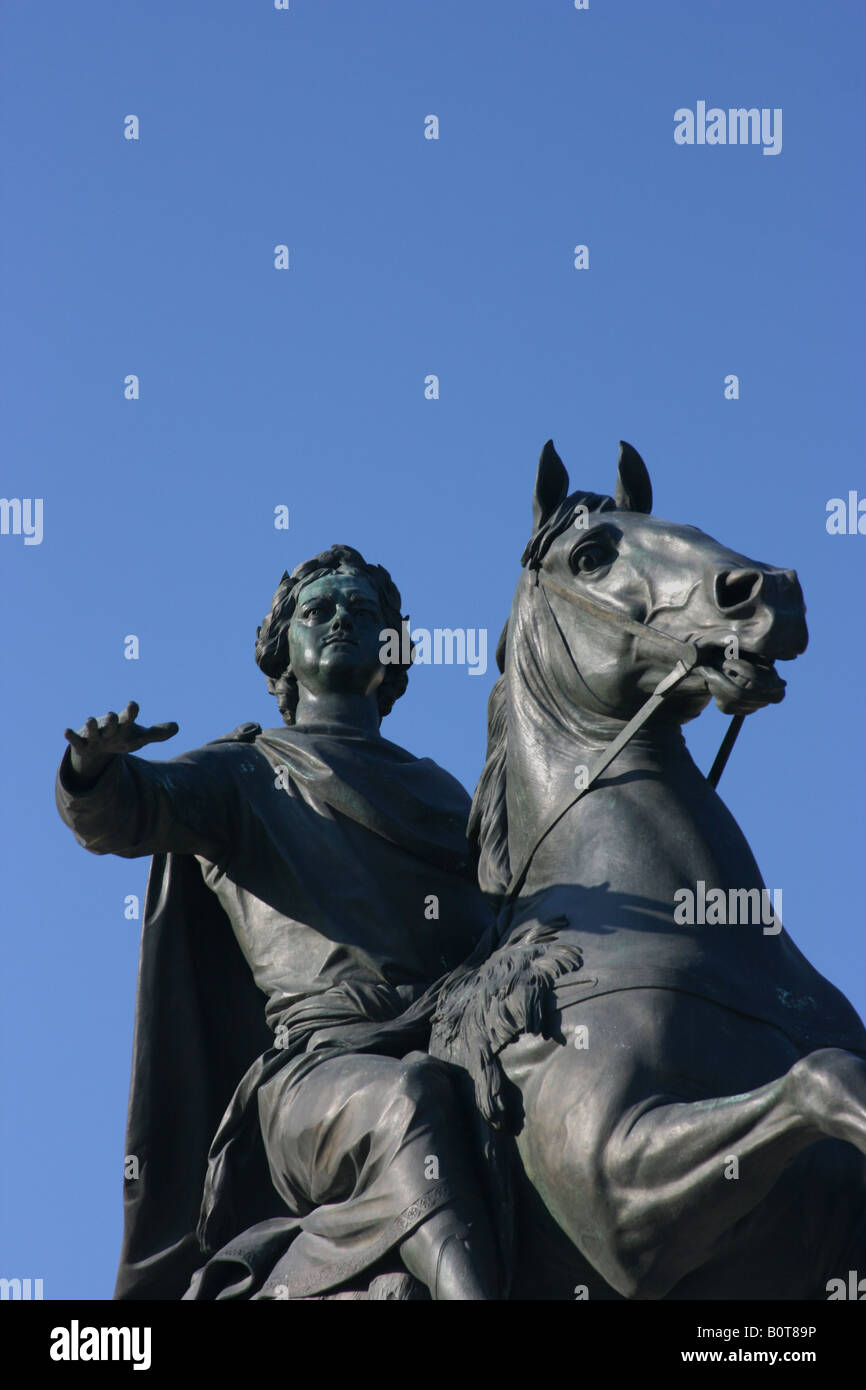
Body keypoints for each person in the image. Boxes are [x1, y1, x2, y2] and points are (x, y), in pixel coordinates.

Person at [56, 545, 499, 1300]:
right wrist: (93, 774)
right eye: (318, 609)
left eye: (365, 613)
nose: (341, 621)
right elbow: (129, 813)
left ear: (393, 654)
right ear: (280, 651)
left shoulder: (450, 793)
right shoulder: (244, 773)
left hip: (458, 1042)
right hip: (316, 1079)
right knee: (409, 1100)